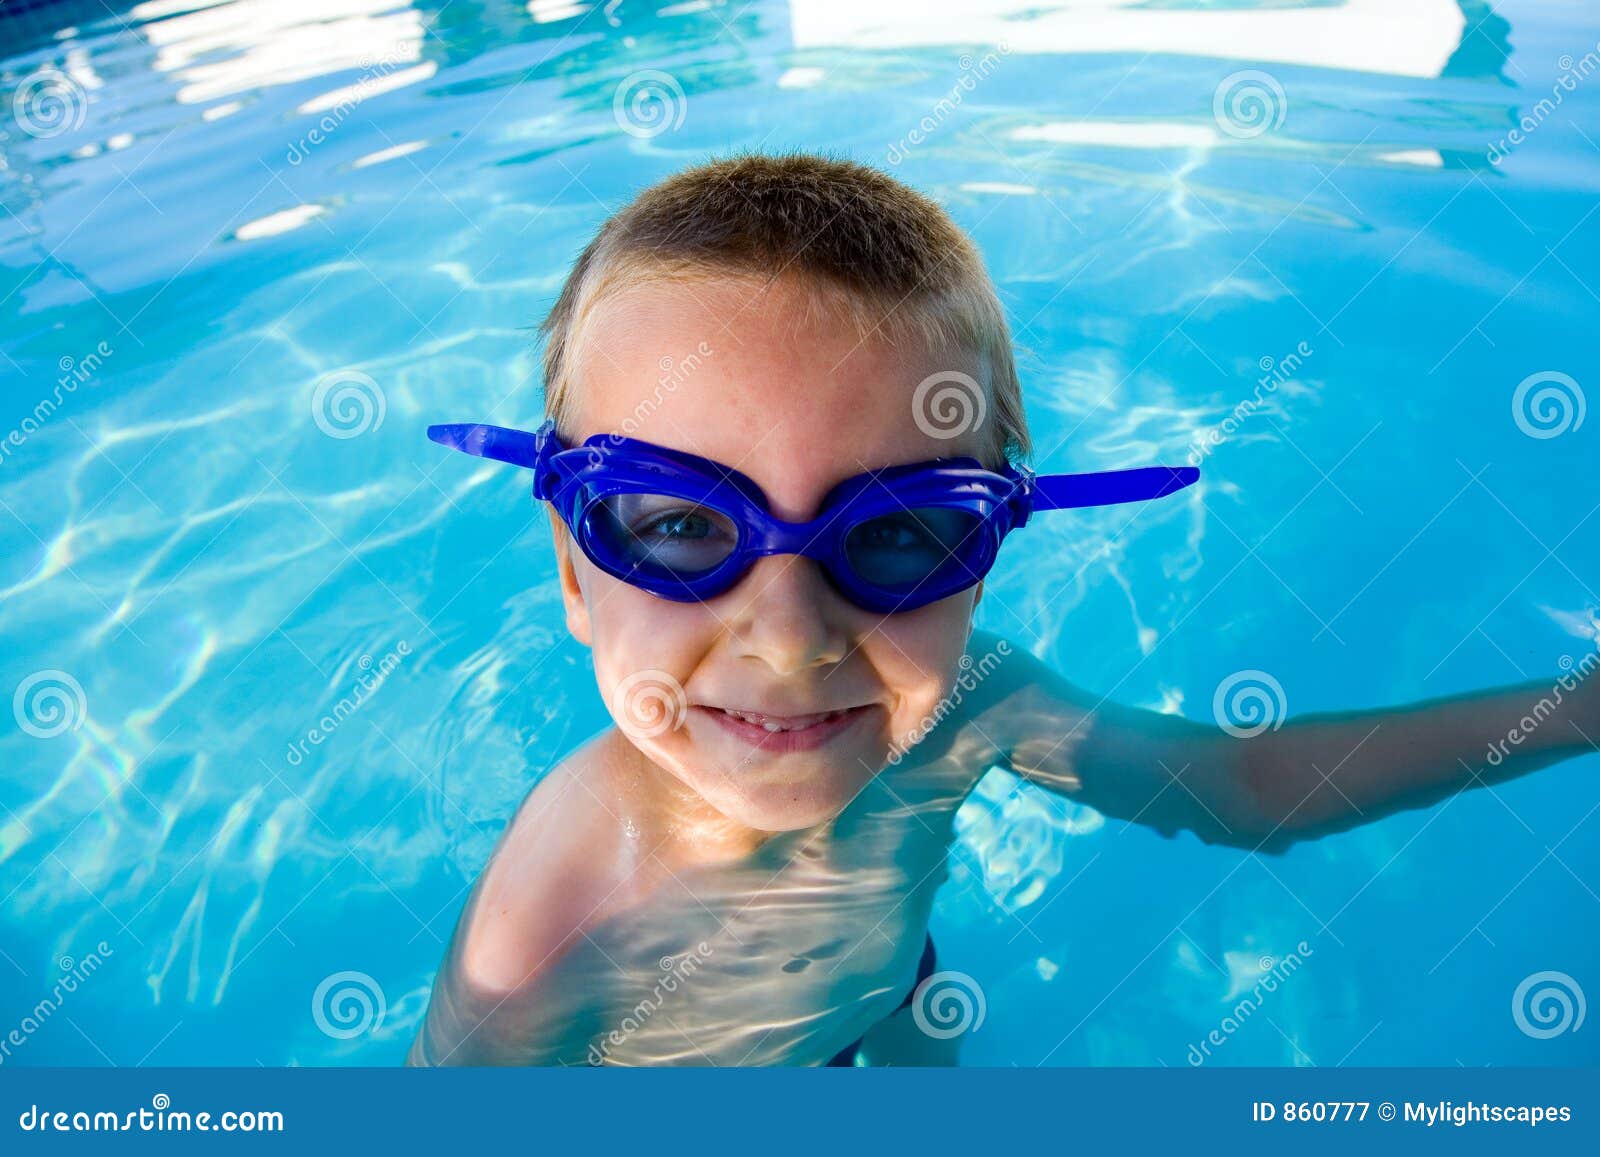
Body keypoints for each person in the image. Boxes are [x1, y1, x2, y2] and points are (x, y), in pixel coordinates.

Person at [406, 152, 1597, 1067]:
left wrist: (1575, 712)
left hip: (901, 990)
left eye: (901, 531)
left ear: (982, 553)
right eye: (673, 523)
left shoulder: (973, 702)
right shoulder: (542, 942)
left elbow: (1244, 791)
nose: (791, 635)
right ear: (572, 567)